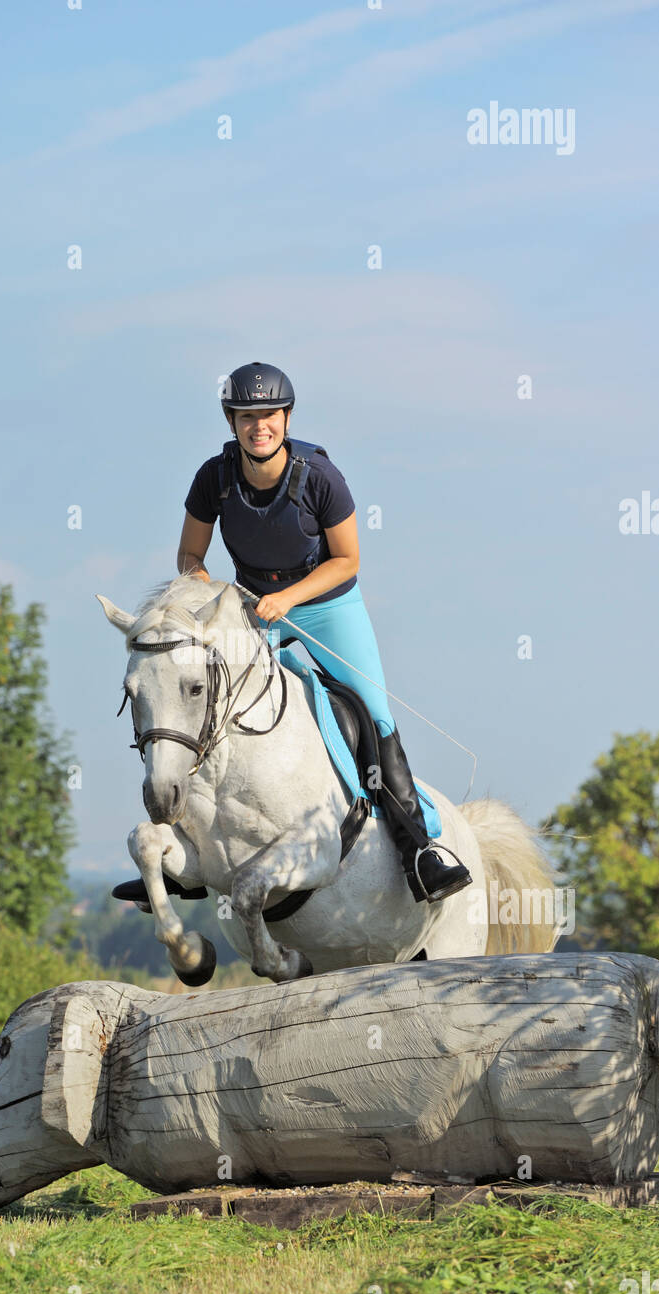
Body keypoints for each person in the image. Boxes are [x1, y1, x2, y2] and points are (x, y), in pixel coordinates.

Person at [113, 361, 471, 910]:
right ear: (232, 421)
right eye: (249, 415)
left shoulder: (320, 477)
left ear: (286, 418)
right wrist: (202, 584)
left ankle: (418, 850)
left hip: (327, 605)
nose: (261, 425)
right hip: (253, 610)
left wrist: (290, 599)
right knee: (201, 696)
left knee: (373, 710)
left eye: (270, 415)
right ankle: (183, 852)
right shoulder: (215, 477)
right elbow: (190, 555)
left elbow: (348, 560)